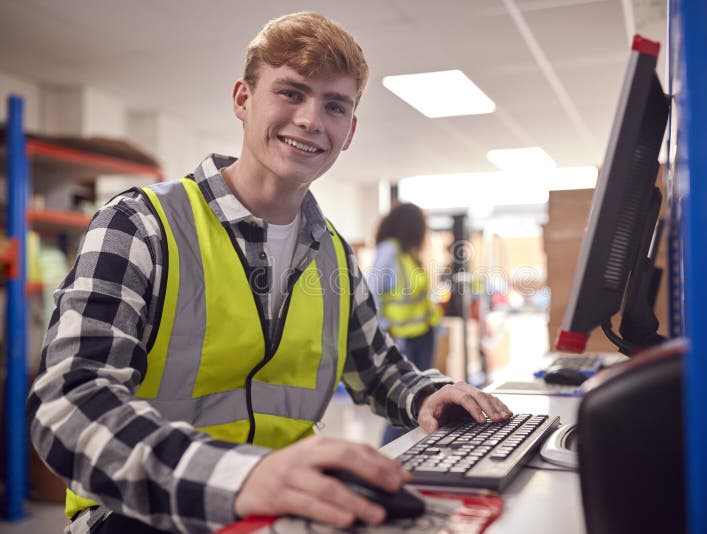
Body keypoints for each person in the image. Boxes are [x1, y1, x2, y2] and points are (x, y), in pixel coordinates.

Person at [26, 11, 512, 534]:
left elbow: (379, 369)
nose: (310, 119)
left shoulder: (333, 254)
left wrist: (427, 393)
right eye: (291, 93)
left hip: (283, 511)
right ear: (243, 99)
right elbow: (67, 404)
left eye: (334, 106)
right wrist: (242, 477)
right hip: (144, 514)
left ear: (349, 131)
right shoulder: (141, 226)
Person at [368, 202, 443, 445]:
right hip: (405, 337)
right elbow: (372, 291)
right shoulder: (390, 249)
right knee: (408, 398)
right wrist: (384, 328)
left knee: (421, 398)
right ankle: (388, 451)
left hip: (423, 332)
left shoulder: (408, 252)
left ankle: (409, 450)